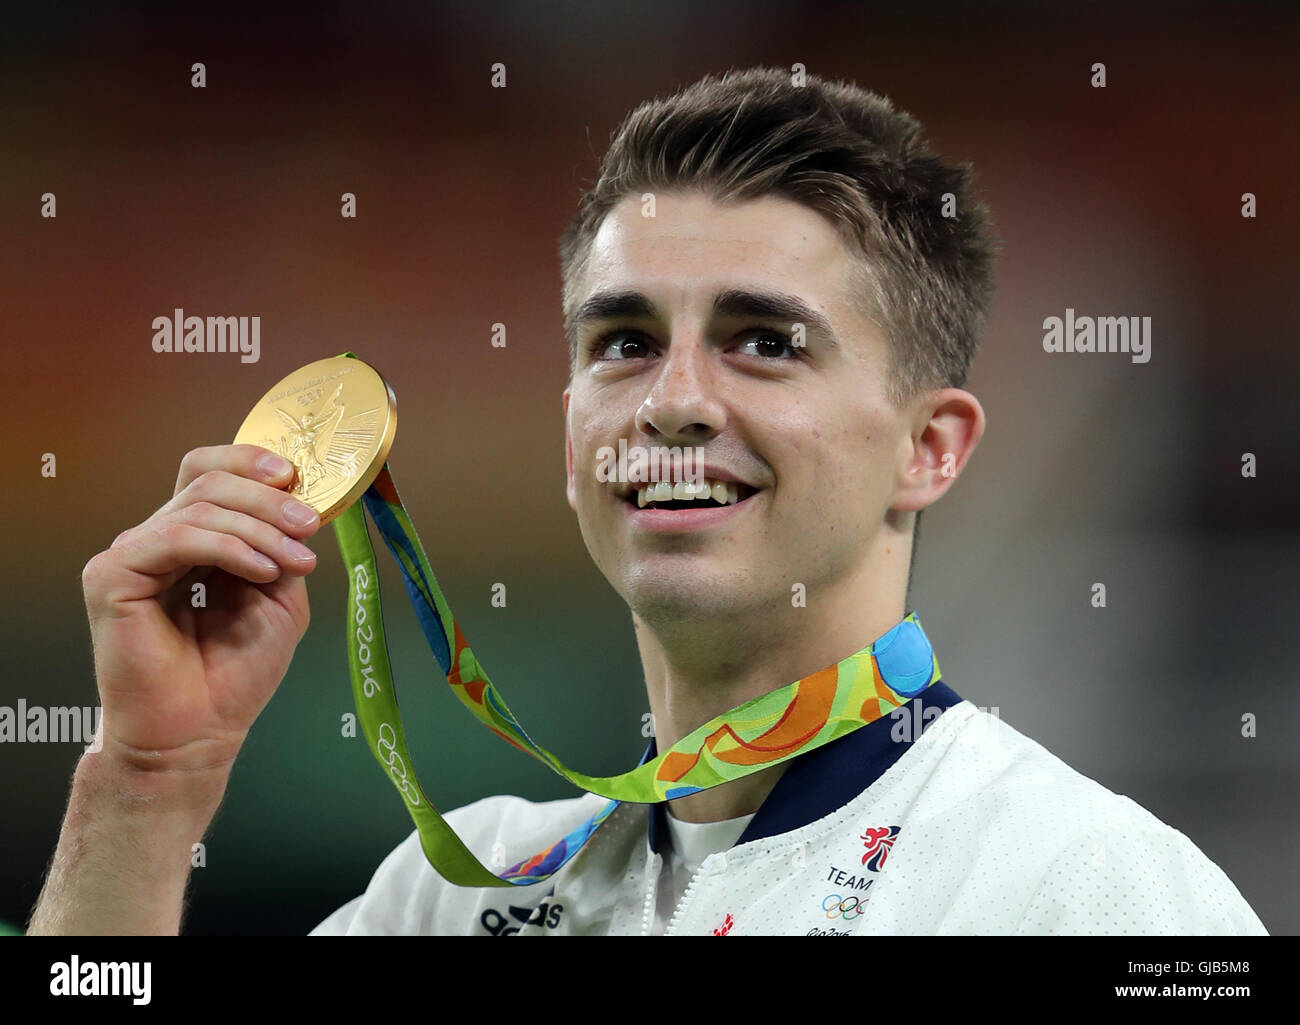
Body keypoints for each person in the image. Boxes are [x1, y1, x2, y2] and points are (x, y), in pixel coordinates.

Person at [28, 67, 1266, 936]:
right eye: (621, 341)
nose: (670, 399)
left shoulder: (1086, 888)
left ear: (927, 450)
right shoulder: (458, 893)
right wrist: (144, 783)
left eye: (763, 342)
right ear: (570, 430)